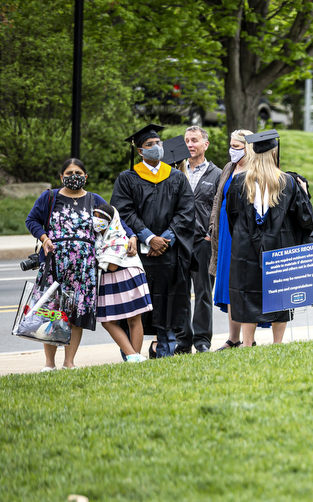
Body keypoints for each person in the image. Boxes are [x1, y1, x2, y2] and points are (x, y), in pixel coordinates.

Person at [111, 124, 195, 358]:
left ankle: (165, 346)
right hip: (139, 253)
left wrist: (165, 239)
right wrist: (149, 237)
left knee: (168, 301)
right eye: (150, 145)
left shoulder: (176, 177)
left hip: (169, 253)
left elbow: (186, 211)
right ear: (140, 151)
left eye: (159, 143)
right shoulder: (127, 179)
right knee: (135, 302)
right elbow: (124, 212)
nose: (157, 148)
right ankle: (132, 352)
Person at [227, 129, 313, 345]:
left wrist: (244, 236)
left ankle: (248, 343)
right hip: (280, 244)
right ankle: (277, 343)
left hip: (245, 245)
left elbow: (232, 216)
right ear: (273, 153)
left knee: (248, 292)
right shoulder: (288, 182)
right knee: (280, 291)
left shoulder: (239, 181)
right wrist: (305, 195)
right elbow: (303, 219)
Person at [24, 159, 104, 371]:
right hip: (54, 265)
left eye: (78, 172)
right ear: (61, 177)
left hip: (84, 268)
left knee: (76, 314)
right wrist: (44, 238)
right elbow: (31, 221)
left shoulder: (94, 200)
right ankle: (49, 364)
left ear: (85, 176)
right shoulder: (49, 197)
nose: (74, 175)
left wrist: (131, 236)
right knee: (52, 312)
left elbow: (115, 223)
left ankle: (69, 362)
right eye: (69, 172)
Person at [175, 126, 222, 354]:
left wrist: (210, 235)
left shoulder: (218, 174)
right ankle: (183, 340)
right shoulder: (175, 172)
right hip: (178, 242)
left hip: (203, 242)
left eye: (194, 140)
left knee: (203, 292)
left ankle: (202, 340)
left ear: (206, 144)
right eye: (186, 141)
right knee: (180, 292)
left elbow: (219, 208)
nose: (190, 144)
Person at [209, 129, 254, 350]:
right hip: (225, 230)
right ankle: (233, 338)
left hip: (244, 231)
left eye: (237, 147)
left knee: (243, 281)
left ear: (249, 148)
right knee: (228, 281)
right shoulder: (229, 168)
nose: (232, 150)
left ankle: (249, 339)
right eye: (231, 145)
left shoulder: (257, 169)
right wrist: (213, 227)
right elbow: (218, 199)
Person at [93, 203, 151, 363]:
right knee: (107, 321)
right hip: (111, 279)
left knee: (134, 318)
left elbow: (111, 266)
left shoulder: (117, 236)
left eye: (102, 218)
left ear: (112, 220)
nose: (97, 220)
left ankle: (134, 357)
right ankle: (134, 355)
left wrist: (97, 256)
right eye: (95, 216)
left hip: (126, 276)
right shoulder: (99, 237)